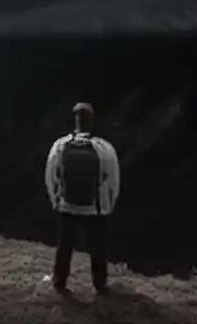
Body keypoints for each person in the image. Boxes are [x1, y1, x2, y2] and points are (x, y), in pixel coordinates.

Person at [44, 101, 120, 295]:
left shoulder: (60, 146)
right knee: (98, 247)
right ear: (91, 120)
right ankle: (100, 284)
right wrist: (108, 206)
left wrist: (56, 201)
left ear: (75, 119)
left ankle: (59, 281)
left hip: (67, 206)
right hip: (95, 208)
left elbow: (51, 176)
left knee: (65, 247)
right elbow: (113, 180)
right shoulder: (104, 148)